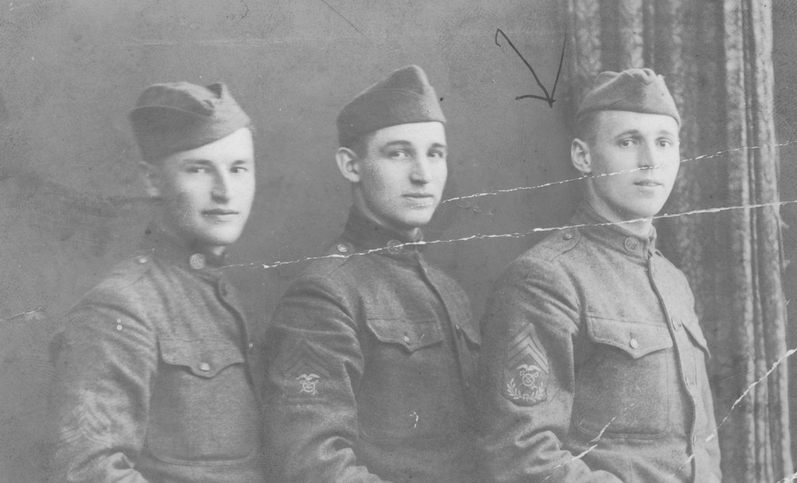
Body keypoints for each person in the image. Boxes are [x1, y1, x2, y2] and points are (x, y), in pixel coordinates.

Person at [478, 68, 722, 482]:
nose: (650, 160)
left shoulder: (673, 281)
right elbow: (522, 454)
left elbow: (701, 449)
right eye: (628, 142)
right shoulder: (546, 278)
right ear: (582, 156)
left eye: (664, 142)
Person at [262, 65, 481, 483]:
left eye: (435, 153)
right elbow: (313, 462)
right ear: (350, 165)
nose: (422, 174)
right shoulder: (325, 295)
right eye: (399, 153)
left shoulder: (449, 291)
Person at [48, 82, 266, 482]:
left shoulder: (226, 294)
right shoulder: (121, 307)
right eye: (199, 169)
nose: (225, 191)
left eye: (238, 168)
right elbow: (87, 471)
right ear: (152, 181)